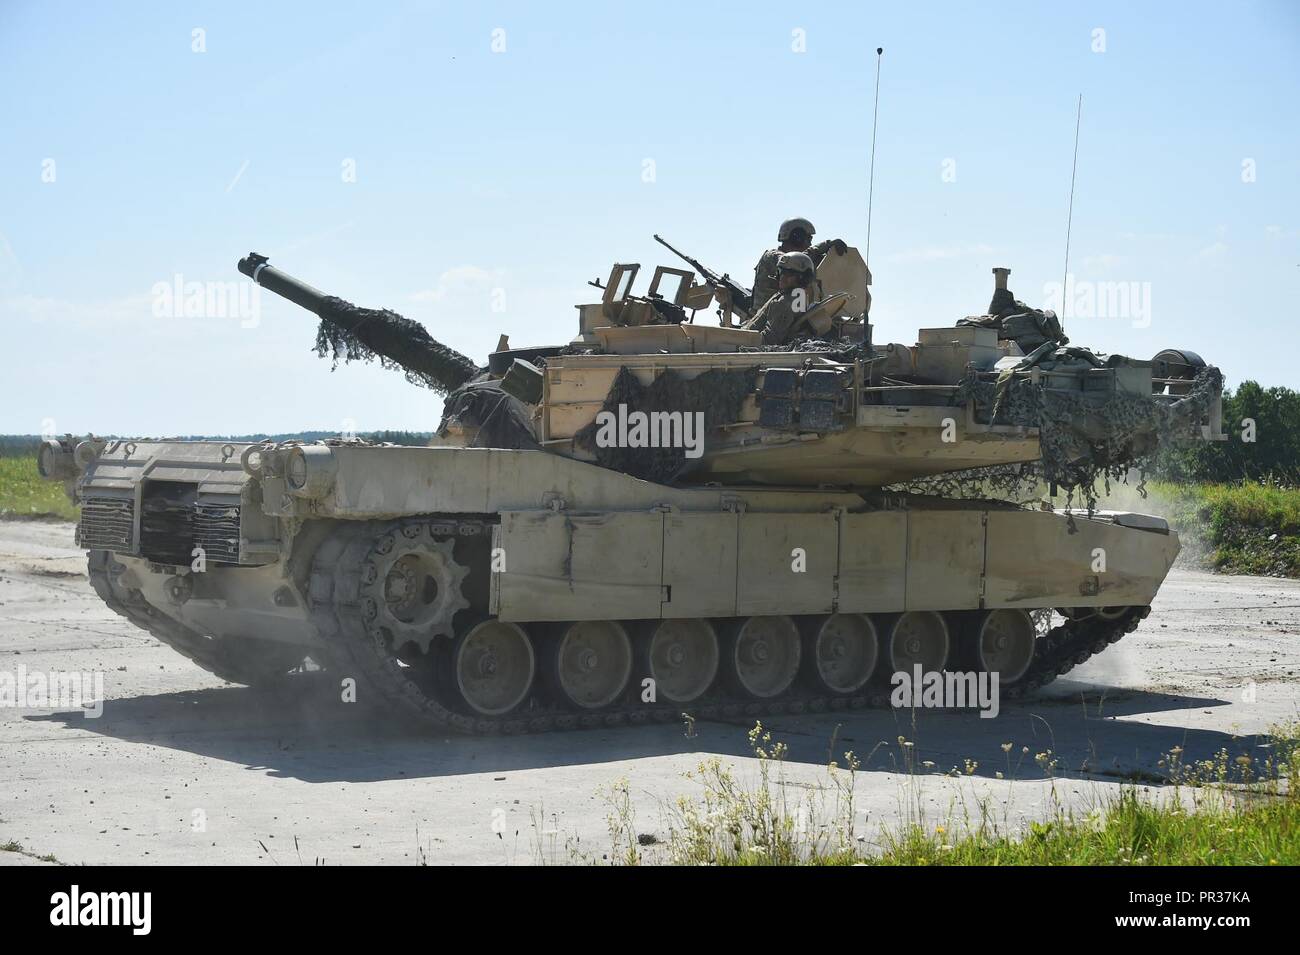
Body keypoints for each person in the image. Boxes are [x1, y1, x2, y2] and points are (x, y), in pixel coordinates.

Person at [750, 218, 848, 313]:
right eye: (808, 239)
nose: (810, 243)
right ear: (797, 238)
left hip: (785, 314)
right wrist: (825, 245)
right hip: (766, 318)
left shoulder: (801, 263)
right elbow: (792, 261)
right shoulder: (772, 256)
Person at [744, 252, 821, 346]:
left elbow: (768, 340)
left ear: (802, 278)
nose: (782, 277)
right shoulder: (800, 296)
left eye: (789, 273)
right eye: (781, 271)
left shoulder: (785, 302)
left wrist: (737, 339)